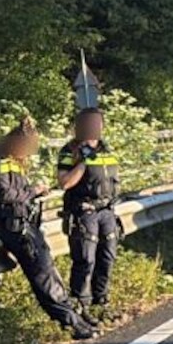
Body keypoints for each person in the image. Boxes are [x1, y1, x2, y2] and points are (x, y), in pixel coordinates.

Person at [0, 118, 97, 339]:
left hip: (25, 225)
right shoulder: (1, 160)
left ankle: (73, 319)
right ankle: (72, 323)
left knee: (48, 271)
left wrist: (37, 193)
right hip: (15, 228)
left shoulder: (12, 160)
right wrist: (34, 190)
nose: (31, 153)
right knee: (43, 273)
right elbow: (5, 195)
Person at [58, 108, 120, 316]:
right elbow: (65, 183)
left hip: (107, 211)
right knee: (86, 260)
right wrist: (83, 161)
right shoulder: (70, 150)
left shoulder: (107, 150)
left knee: (107, 258)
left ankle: (101, 302)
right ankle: (80, 305)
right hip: (85, 212)